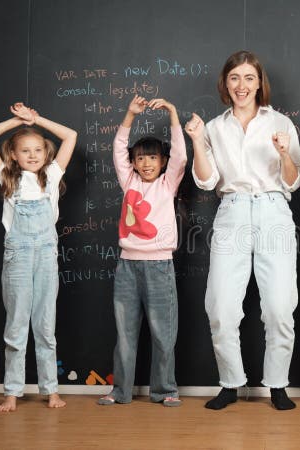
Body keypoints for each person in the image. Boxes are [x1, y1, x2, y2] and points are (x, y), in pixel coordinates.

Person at [185, 50, 300, 410]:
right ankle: (230, 383)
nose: (242, 85)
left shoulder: (280, 122)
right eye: (235, 77)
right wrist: (196, 140)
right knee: (221, 306)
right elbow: (207, 181)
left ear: (259, 83)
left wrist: (284, 154)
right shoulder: (214, 127)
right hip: (232, 211)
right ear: (226, 83)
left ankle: (278, 385)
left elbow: (294, 181)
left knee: (280, 306)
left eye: (249, 78)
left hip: (273, 210)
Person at [0, 102, 77, 412]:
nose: (33, 155)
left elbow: (70, 136)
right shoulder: (7, 176)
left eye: (38, 150)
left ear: (46, 153)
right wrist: (16, 121)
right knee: (17, 325)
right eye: (25, 150)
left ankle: (51, 390)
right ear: (13, 155)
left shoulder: (52, 175)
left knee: (45, 326)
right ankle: (12, 392)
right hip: (18, 257)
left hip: (46, 255)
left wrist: (36, 120)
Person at [96, 95, 187, 407]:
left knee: (164, 333)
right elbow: (118, 148)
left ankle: (165, 390)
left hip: (160, 266)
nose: (146, 164)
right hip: (127, 267)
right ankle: (120, 391)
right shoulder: (129, 183)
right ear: (133, 163)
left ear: (162, 162)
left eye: (152, 158)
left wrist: (173, 112)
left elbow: (181, 155)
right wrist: (130, 115)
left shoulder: (167, 185)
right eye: (140, 159)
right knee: (125, 335)